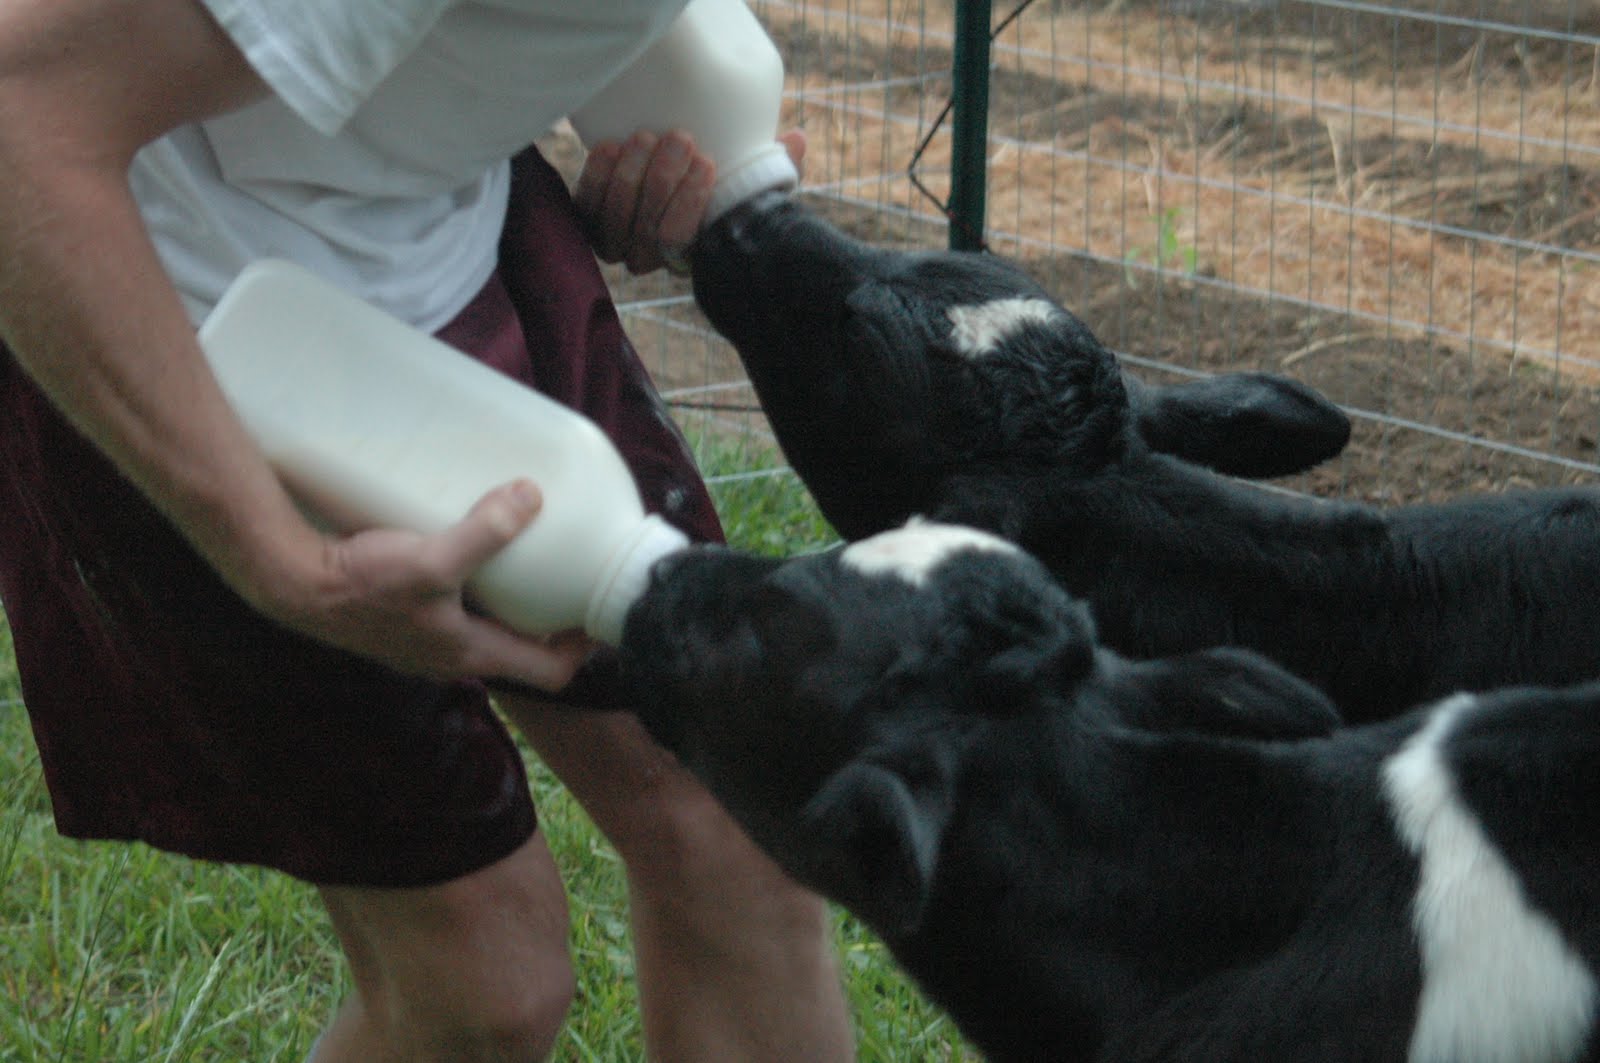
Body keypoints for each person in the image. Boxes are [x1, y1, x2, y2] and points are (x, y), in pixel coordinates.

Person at [0, 2, 854, 1060]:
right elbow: (19, 112)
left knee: (746, 818)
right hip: (184, 311)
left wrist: (641, 124)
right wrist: (283, 560)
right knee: (482, 985)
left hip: (446, 223)